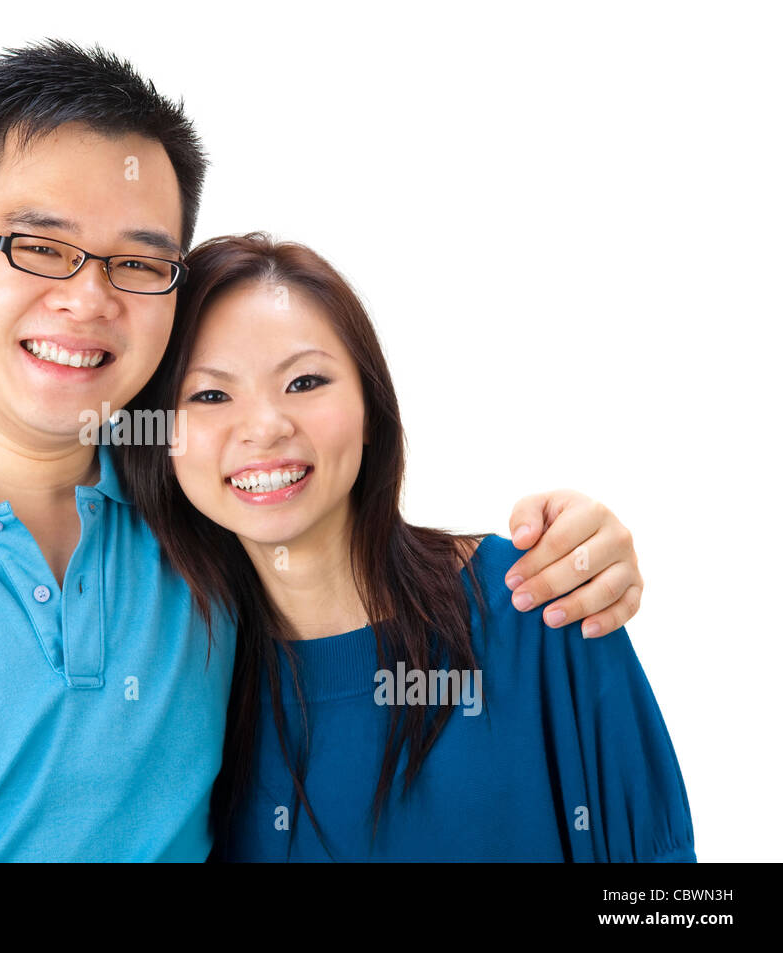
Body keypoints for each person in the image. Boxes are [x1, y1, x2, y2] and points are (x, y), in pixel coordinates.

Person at [0, 41, 650, 862]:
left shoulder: (203, 534)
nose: (88, 297)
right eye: (38, 246)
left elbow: (363, 594)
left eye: (137, 261)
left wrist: (572, 549)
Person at [116, 233, 694, 861]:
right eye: (210, 395)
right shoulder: (181, 688)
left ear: (370, 410)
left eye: (305, 381)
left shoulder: (538, 596)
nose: (265, 427)